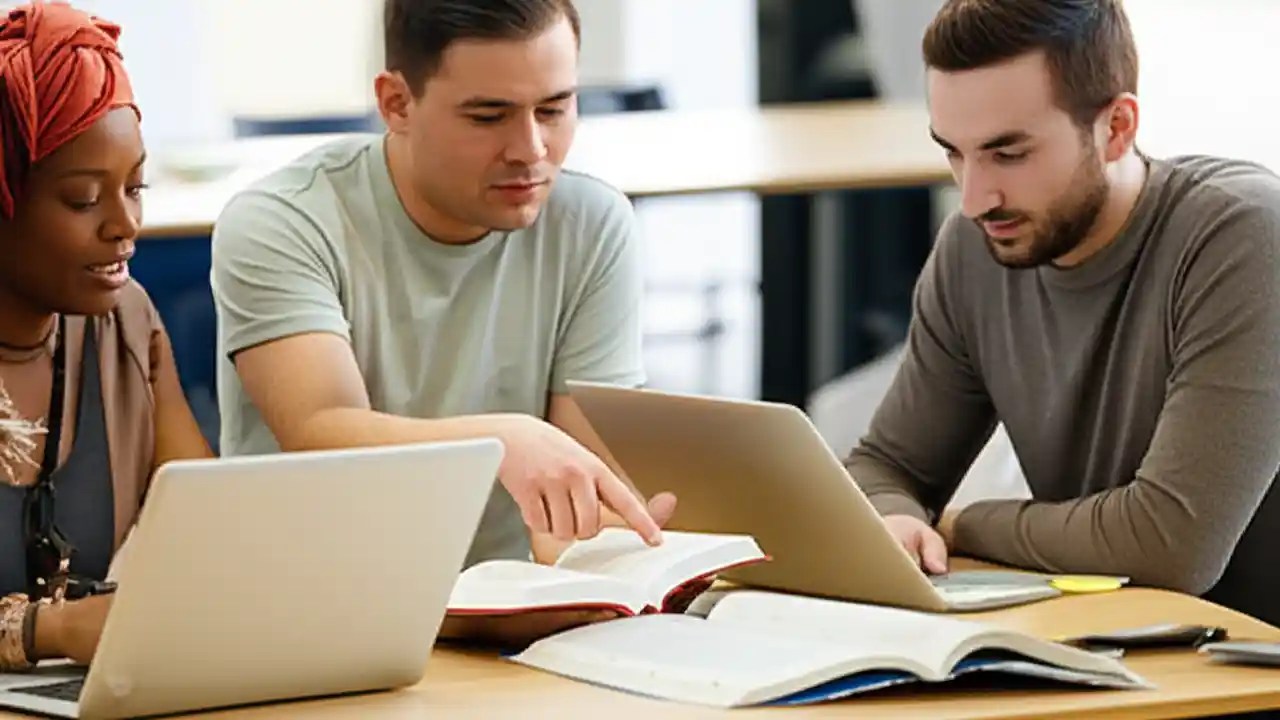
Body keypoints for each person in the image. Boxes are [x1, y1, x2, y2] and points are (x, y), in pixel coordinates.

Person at [210, 0, 673, 644]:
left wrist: (625, 546)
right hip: (309, 624)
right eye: (489, 116)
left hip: (512, 624)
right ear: (396, 102)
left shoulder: (593, 224)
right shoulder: (282, 223)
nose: (531, 150)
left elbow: (581, 481)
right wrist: (503, 439)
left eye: (554, 108)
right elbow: (318, 430)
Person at [844, 0, 1280, 627]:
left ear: (1117, 127)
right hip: (1108, 650)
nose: (973, 198)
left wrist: (962, 521)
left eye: (1008, 154)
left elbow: (1172, 544)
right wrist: (898, 517)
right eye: (955, 153)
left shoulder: (1243, 237)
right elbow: (887, 467)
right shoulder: (977, 248)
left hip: (1246, 667)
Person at [0, 1, 212, 671]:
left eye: (136, 187)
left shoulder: (125, 323)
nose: (125, 225)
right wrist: (49, 631)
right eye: (85, 198)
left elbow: (212, 533)